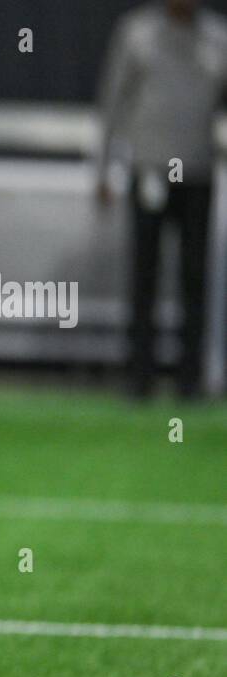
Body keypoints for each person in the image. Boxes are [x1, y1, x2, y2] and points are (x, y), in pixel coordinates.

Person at [97, 0, 227, 399]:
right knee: (145, 274)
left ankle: (190, 380)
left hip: (197, 171)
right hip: (150, 168)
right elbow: (113, 103)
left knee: (194, 277)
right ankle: (139, 379)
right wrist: (105, 169)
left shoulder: (218, 38)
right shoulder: (137, 33)